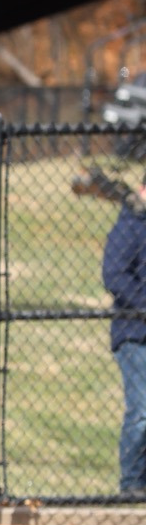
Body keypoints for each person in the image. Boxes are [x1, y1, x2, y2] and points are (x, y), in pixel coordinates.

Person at [102, 182, 146, 492]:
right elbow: (114, 273)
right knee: (143, 412)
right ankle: (131, 486)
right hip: (135, 334)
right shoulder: (131, 223)